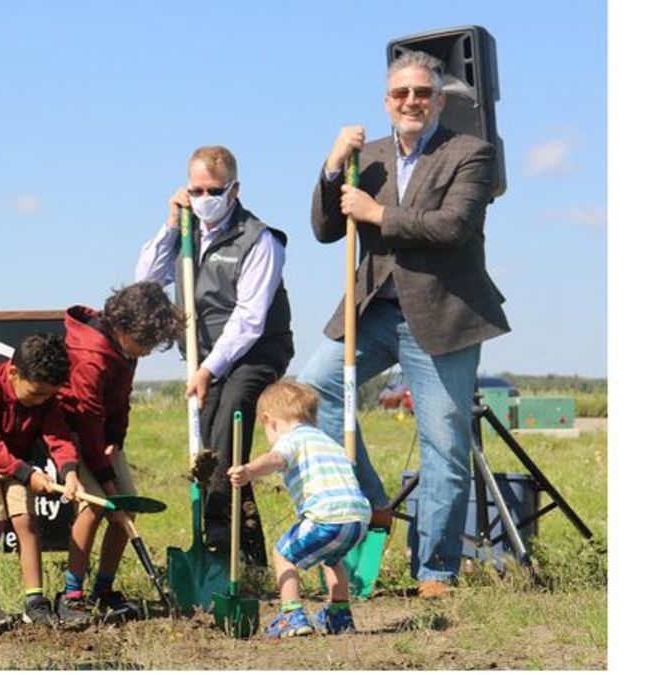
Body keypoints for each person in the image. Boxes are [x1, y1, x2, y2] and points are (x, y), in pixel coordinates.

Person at [296, 50, 510, 599]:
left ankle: (435, 571)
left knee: (443, 446)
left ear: (439, 100)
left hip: (443, 316)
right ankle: (372, 503)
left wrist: (379, 215)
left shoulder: (470, 153)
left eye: (422, 93)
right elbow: (325, 228)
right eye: (400, 94)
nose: (411, 102)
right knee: (311, 389)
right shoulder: (365, 157)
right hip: (374, 311)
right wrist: (330, 165)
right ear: (387, 101)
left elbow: (453, 226)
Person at [136, 145, 293, 564]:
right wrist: (170, 225)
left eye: (215, 190)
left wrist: (208, 369)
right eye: (197, 190)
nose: (206, 198)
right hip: (204, 357)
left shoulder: (259, 239)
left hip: (256, 352)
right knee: (209, 447)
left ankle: (224, 536)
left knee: (229, 424)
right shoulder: (186, 233)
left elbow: (250, 319)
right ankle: (248, 552)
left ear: (234, 188)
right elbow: (146, 284)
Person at [53, 282, 183, 626]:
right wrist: (107, 481)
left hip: (102, 436)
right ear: (123, 327)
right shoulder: (91, 355)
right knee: (97, 505)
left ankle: (103, 590)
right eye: (147, 343)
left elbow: (121, 399)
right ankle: (72, 595)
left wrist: (117, 437)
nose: (149, 351)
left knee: (130, 506)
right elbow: (88, 417)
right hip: (74, 432)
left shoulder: (126, 349)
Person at [227, 381, 371, 638]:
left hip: (326, 515)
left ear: (269, 421)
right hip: (358, 518)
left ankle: (291, 614)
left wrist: (249, 471)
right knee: (332, 559)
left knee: (283, 554)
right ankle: (339, 615)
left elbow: (276, 459)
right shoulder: (328, 441)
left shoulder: (291, 439)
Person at [0, 333, 82, 628]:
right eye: (36, 394)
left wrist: (70, 472)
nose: (41, 401)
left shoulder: (46, 399)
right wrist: (28, 475)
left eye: (47, 397)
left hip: (19, 461)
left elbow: (58, 436)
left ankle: (34, 601)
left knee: (26, 522)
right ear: (14, 373)